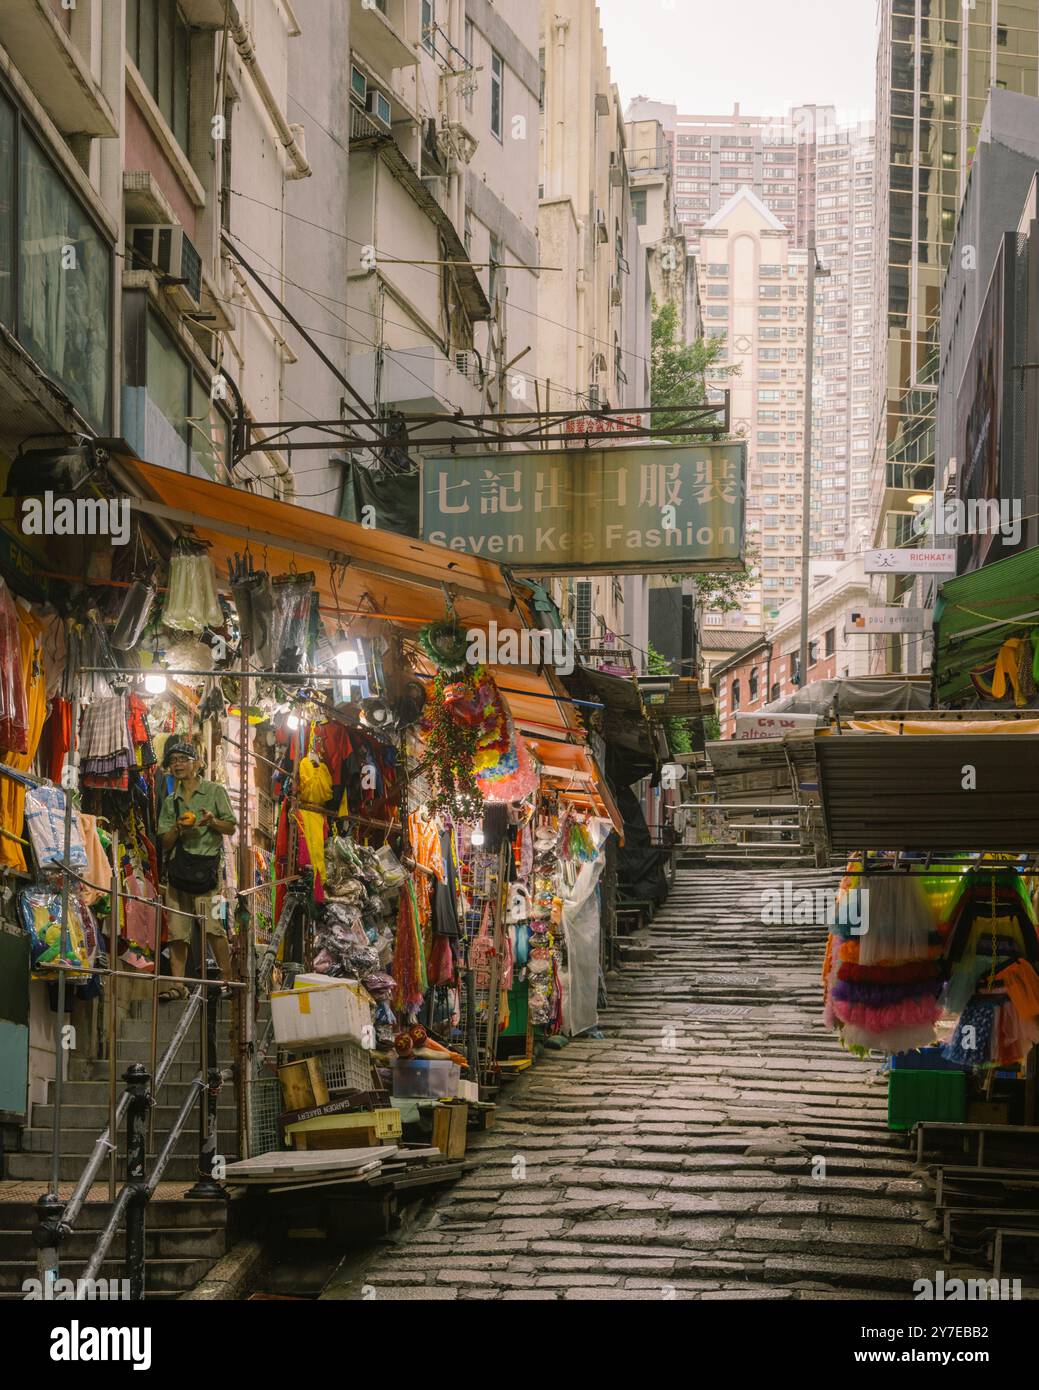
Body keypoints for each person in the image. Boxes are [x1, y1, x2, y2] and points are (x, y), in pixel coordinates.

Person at [156, 740, 236, 1001]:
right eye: (173, 761)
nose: (177, 764)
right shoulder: (171, 802)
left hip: (210, 876)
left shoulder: (215, 791)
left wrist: (212, 821)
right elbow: (164, 841)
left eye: (183, 759)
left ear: (197, 763)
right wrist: (179, 829)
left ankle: (228, 980)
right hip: (179, 877)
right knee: (177, 932)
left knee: (215, 928)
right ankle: (178, 984)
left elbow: (230, 828)